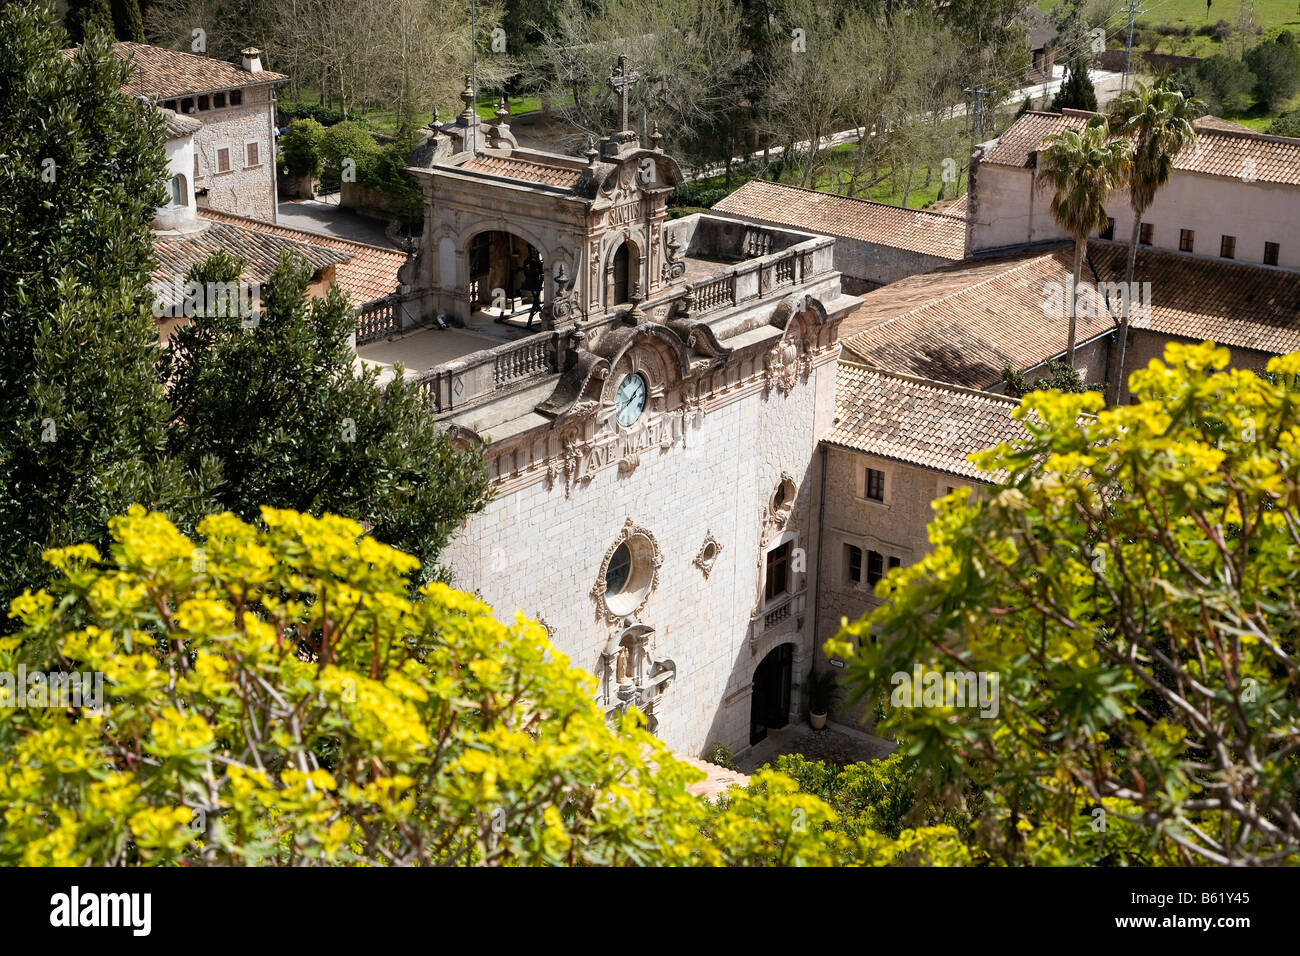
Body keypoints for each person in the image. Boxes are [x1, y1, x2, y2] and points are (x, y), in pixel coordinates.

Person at [523, 251, 545, 328]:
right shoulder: (529, 262)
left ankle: (537, 307)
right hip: (532, 282)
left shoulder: (537, 263)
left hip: (535, 282)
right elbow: (526, 270)